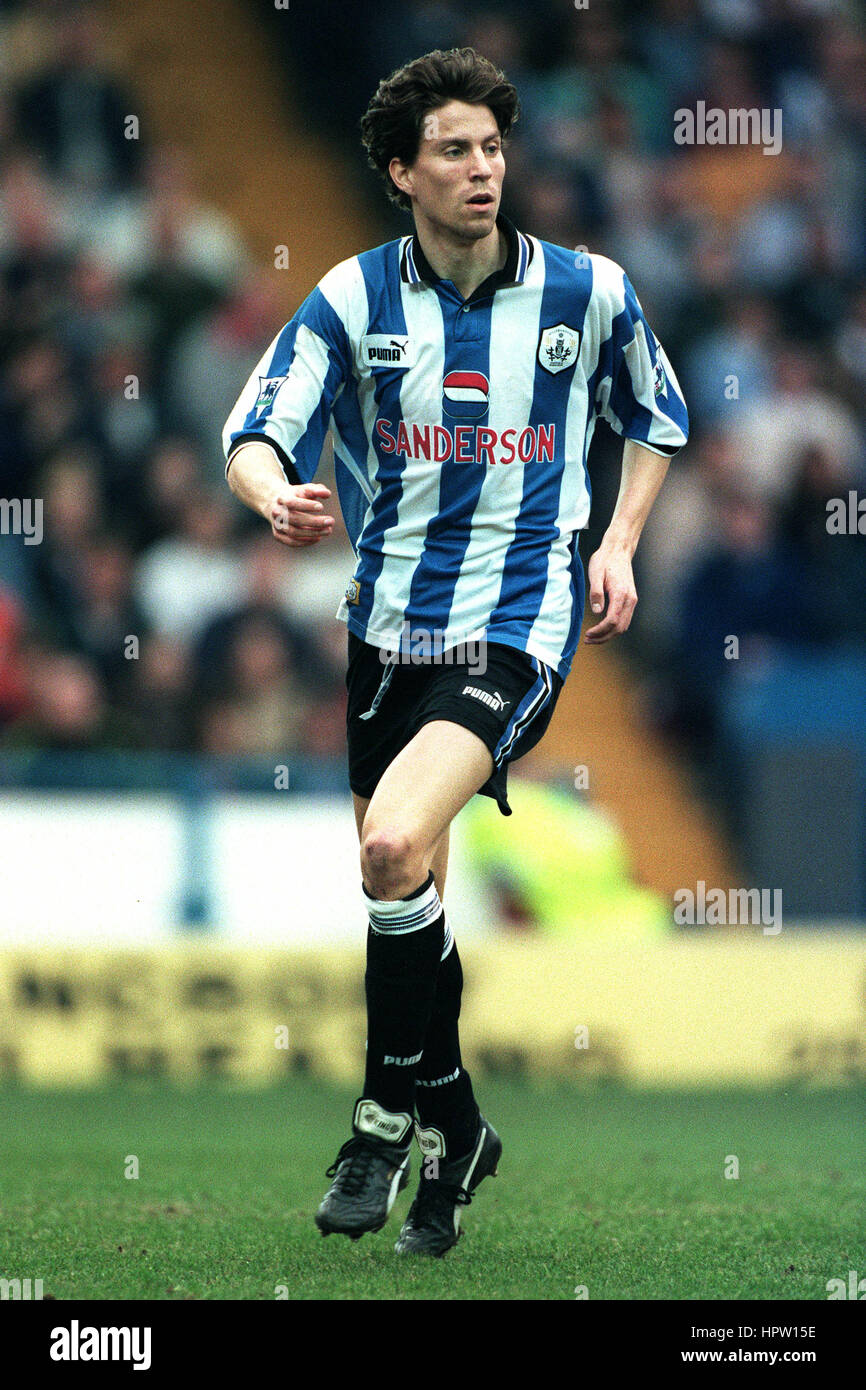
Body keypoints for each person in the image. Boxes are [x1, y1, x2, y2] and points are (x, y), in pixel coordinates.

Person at [222, 48, 688, 1257]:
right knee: (401, 883)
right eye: (452, 151)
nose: (480, 170)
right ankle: (459, 1125)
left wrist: (620, 541)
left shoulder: (587, 292)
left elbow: (656, 416)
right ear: (399, 171)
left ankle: (381, 1118)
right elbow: (255, 426)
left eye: (490, 148)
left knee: (387, 842)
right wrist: (275, 495)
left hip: (516, 620)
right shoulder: (350, 298)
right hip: (383, 631)